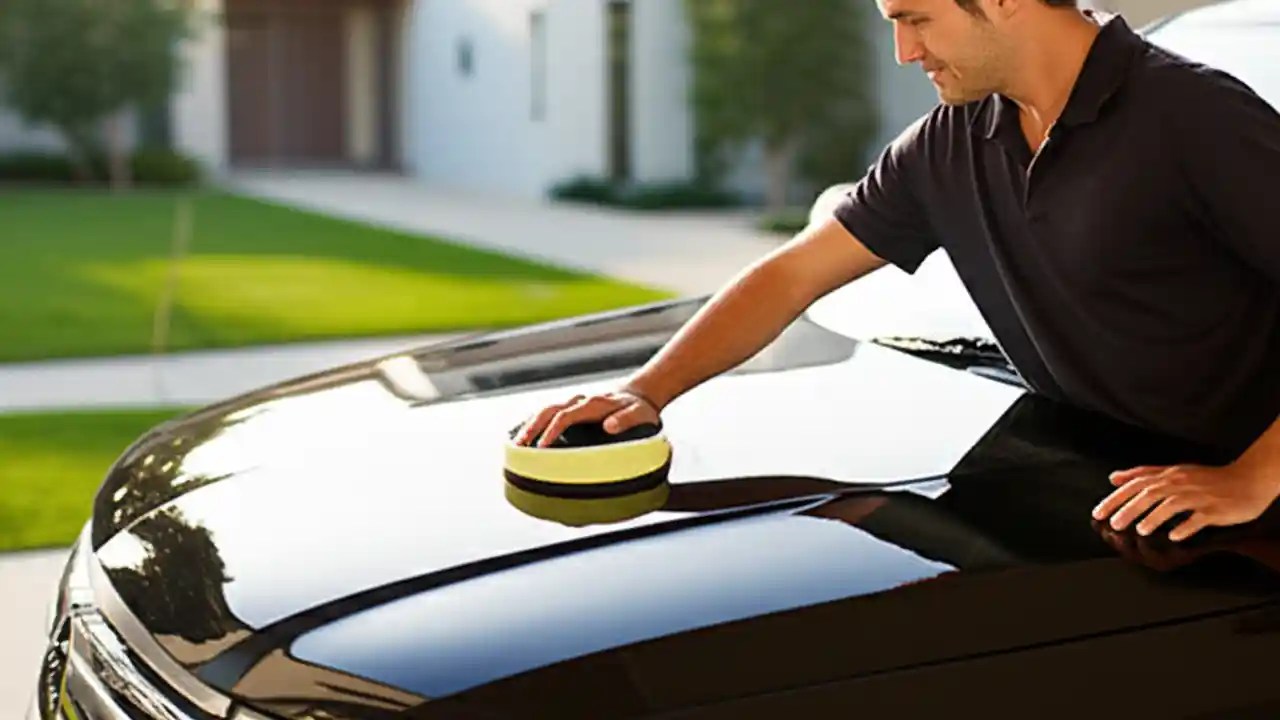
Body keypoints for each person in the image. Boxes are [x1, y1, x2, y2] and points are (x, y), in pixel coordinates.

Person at [516, 0, 1280, 543]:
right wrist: (644, 392)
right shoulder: (948, 143)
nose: (904, 54)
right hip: (1090, 499)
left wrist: (1254, 476)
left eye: (915, 19)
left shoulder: (1194, 115)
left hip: (1237, 532)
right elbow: (792, 276)